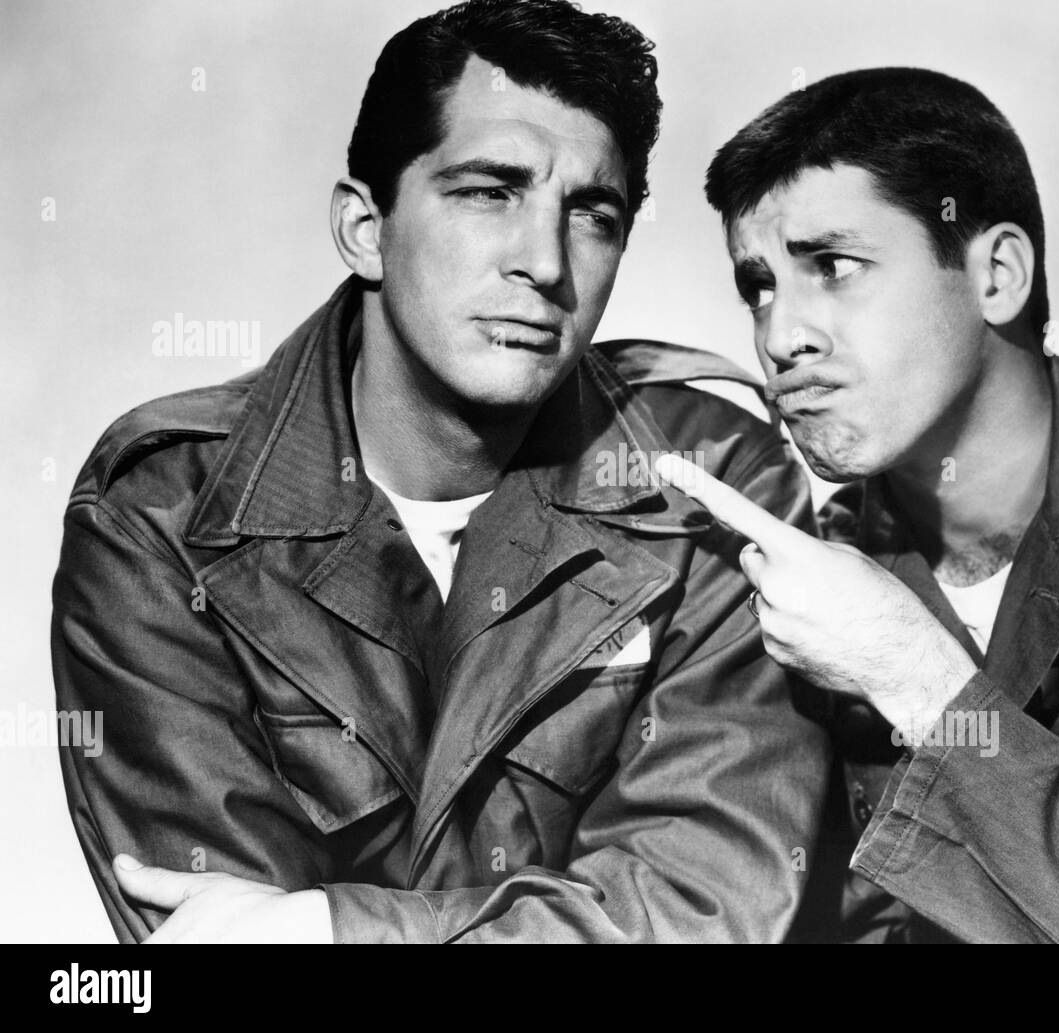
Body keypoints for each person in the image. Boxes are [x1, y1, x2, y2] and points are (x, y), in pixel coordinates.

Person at [50, 0, 830, 944]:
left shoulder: (709, 481)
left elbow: (704, 908)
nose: (544, 264)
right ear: (364, 228)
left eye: (592, 215)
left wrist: (333, 931)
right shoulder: (162, 513)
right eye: (488, 192)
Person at [657, 67, 1059, 942]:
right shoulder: (779, 590)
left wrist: (921, 682)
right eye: (758, 284)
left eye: (834, 267)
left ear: (997, 274)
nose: (780, 336)